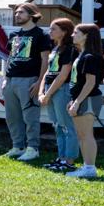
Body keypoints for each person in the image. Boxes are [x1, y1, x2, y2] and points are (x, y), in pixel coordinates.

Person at [0, 2, 52, 161]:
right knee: (12, 116)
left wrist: (39, 83)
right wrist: (5, 78)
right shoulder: (14, 35)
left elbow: (45, 60)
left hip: (30, 80)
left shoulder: (41, 35)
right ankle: (18, 146)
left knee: (30, 117)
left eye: (21, 12)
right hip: (11, 81)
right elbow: (10, 58)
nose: (17, 15)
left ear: (32, 14)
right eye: (16, 13)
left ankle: (33, 148)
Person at [64, 23, 104, 179]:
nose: (72, 35)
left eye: (76, 32)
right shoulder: (81, 54)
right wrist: (73, 100)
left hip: (88, 99)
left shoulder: (90, 57)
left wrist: (77, 102)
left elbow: (90, 83)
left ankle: (89, 168)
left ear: (86, 36)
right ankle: (87, 166)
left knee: (86, 134)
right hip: (80, 98)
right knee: (81, 134)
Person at [37, 18, 78, 171]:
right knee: (58, 126)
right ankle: (61, 158)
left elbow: (63, 74)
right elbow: (48, 72)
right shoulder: (55, 49)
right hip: (50, 88)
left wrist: (48, 94)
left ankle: (69, 160)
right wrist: (42, 91)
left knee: (67, 126)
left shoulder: (69, 49)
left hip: (62, 89)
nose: (50, 31)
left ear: (64, 32)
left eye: (54, 29)